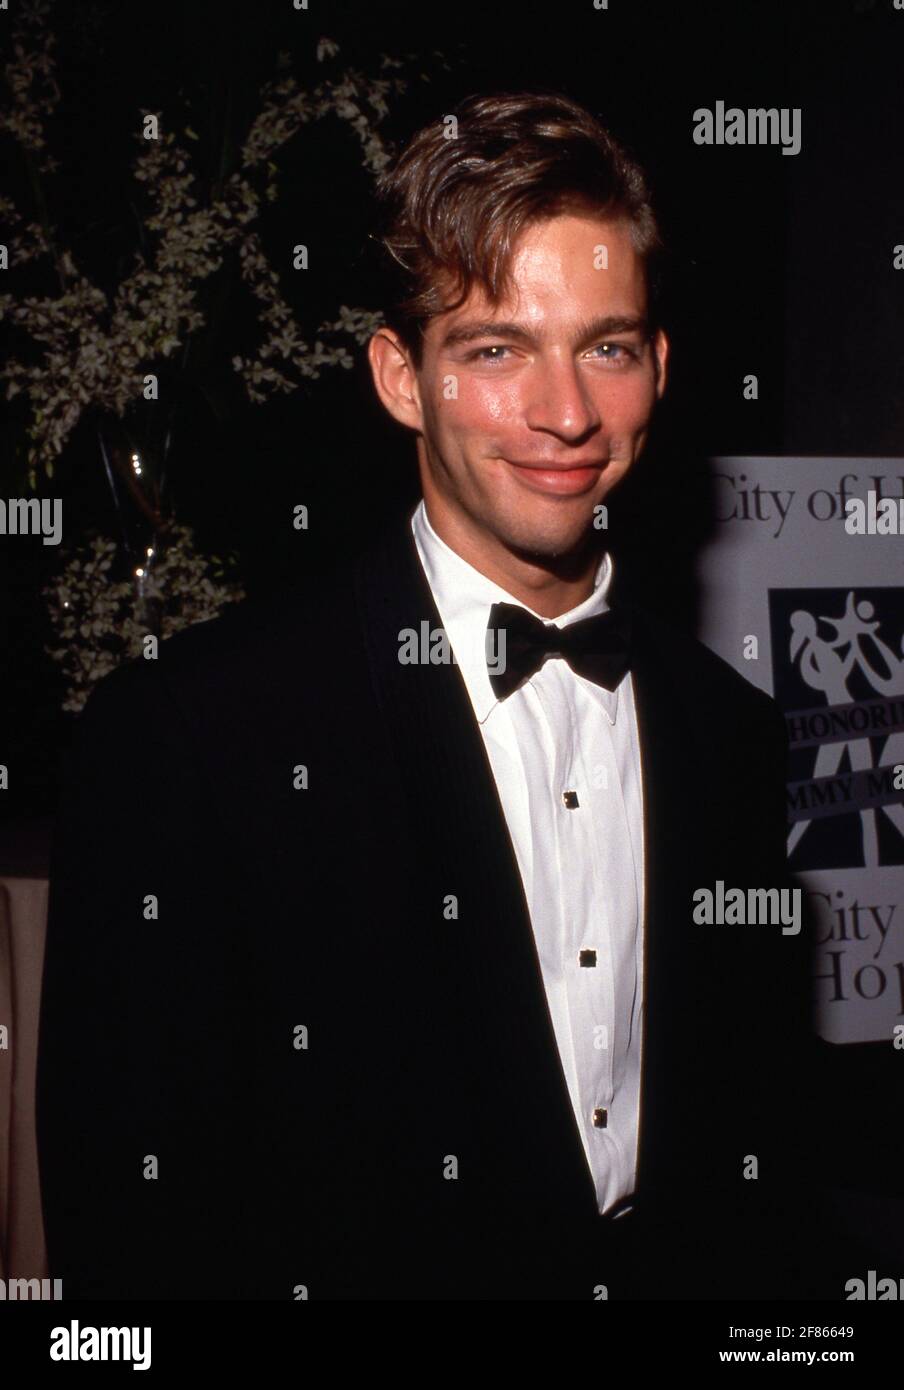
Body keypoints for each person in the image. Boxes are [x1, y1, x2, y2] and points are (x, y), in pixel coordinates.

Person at [36, 90, 825, 1300]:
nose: (566, 414)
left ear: (659, 367)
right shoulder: (197, 730)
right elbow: (132, 1224)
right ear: (402, 378)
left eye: (605, 346)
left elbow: (749, 1168)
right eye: (496, 349)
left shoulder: (729, 731)